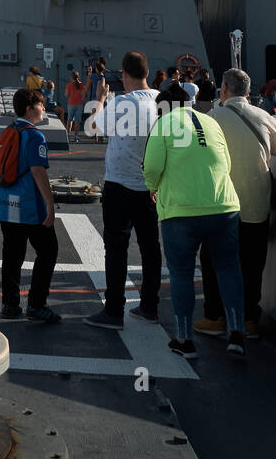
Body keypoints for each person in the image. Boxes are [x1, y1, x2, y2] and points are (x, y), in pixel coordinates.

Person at [143, 82, 245, 358]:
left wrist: (154, 187)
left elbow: (151, 166)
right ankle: (237, 333)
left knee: (182, 274)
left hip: (181, 212)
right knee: (229, 269)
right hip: (223, 206)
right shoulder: (210, 122)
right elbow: (226, 162)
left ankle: (184, 340)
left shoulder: (164, 124)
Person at [82, 51, 162, 329]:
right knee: (151, 248)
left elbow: (91, 129)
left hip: (120, 186)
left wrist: (101, 99)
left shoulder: (123, 102)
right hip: (151, 189)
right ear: (147, 73)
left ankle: (114, 311)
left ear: (124, 75)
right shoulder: (162, 102)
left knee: (116, 249)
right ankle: (150, 306)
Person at [196, 68, 276, 339]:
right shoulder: (264, 116)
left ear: (224, 90)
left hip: (222, 203)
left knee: (213, 259)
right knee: (253, 263)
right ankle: (249, 319)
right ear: (248, 91)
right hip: (256, 202)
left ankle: (215, 316)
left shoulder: (211, 118)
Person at [0, 88, 60, 324]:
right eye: (41, 104)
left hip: (6, 203)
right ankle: (37, 304)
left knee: (12, 255)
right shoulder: (34, 136)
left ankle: (10, 305)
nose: (44, 108)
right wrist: (50, 205)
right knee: (48, 250)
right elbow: (37, 171)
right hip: (29, 207)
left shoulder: (10, 130)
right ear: (30, 108)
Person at [65, 71, 84, 141]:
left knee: (69, 120)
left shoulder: (69, 85)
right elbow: (83, 95)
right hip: (79, 104)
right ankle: (76, 136)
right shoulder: (81, 84)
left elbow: (66, 95)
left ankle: (67, 135)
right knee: (77, 121)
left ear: (71, 77)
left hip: (71, 104)